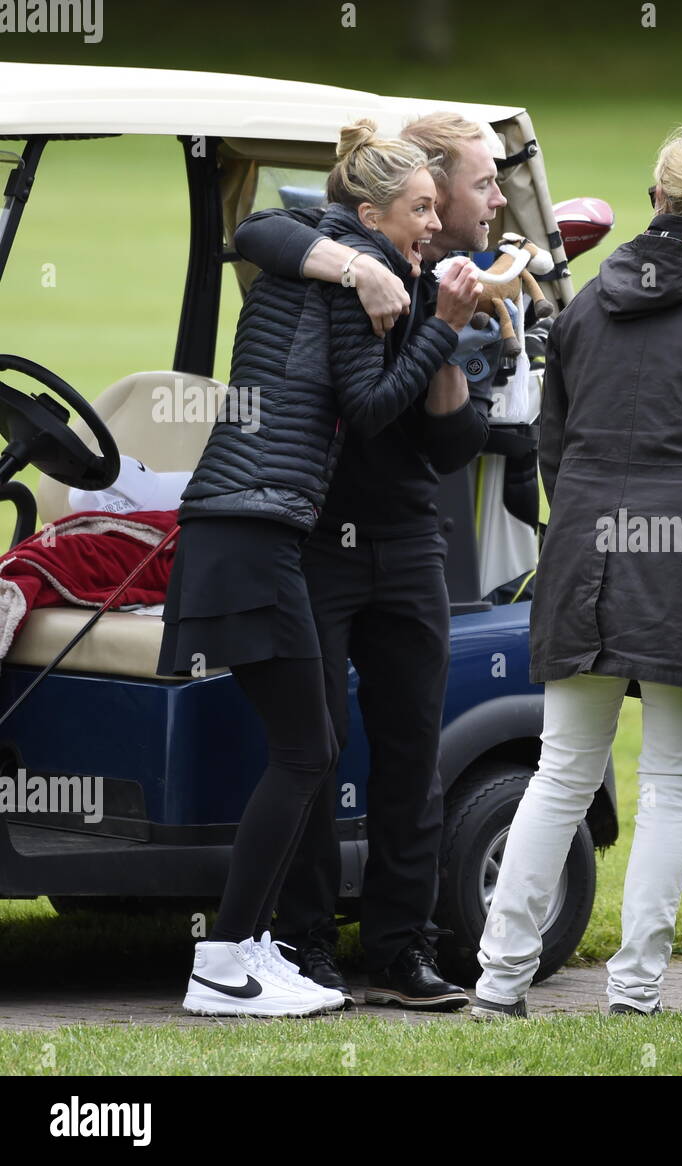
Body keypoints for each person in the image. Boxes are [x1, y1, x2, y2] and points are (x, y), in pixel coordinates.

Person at [471, 126, 682, 1020]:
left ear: (653, 194)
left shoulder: (586, 305)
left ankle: (499, 982)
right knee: (672, 788)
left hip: (585, 553)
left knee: (560, 773)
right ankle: (634, 993)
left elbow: (551, 441)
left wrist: (590, 525)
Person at [162, 119, 481, 1017]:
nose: (463, 209)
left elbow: (449, 439)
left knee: (356, 748)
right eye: (430, 201)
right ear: (381, 207)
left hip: (363, 535)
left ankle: (345, 949)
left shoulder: (425, 279)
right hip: (282, 532)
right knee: (310, 747)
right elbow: (260, 235)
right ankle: (259, 952)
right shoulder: (341, 264)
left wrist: (446, 329)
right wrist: (397, 295)